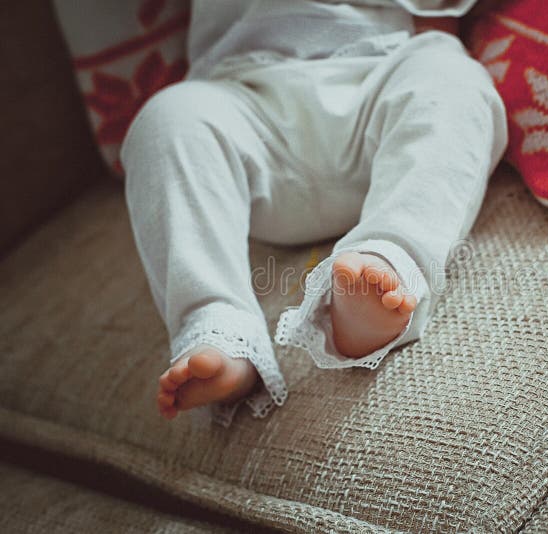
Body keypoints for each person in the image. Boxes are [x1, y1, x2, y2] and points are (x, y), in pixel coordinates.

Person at [122, 0, 507, 426]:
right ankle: (220, 328)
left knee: (454, 81)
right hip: (246, 109)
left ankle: (387, 262)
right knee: (167, 119)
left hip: (380, 77)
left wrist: (437, 43)